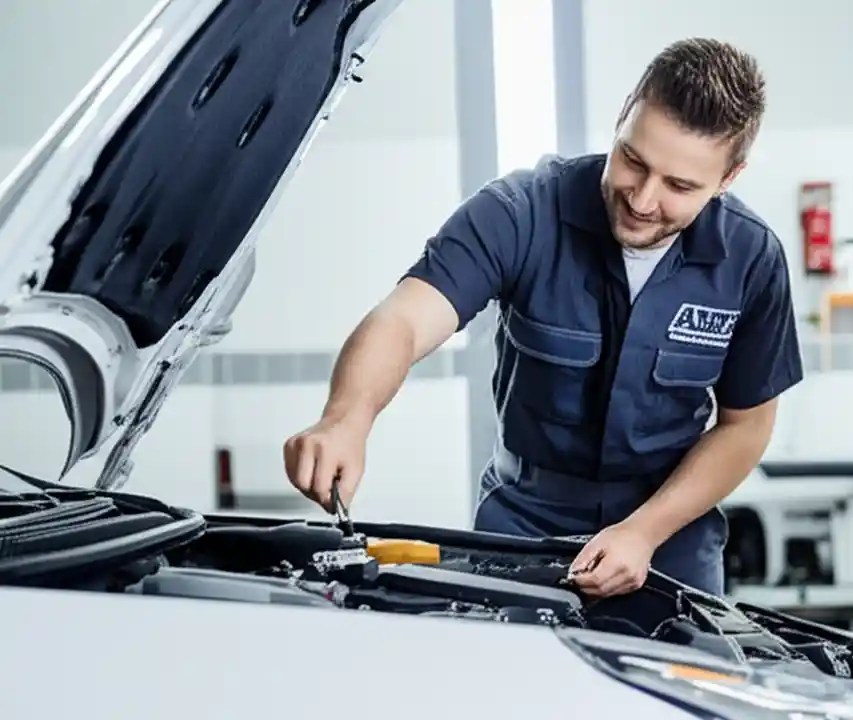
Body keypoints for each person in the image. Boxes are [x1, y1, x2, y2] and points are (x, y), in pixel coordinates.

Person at [282, 38, 803, 599]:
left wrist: (644, 532)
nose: (644, 199)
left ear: (729, 177)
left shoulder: (751, 260)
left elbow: (745, 425)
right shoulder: (521, 213)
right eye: (633, 159)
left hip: (670, 530)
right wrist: (346, 418)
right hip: (524, 521)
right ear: (624, 111)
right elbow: (405, 319)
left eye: (679, 186)